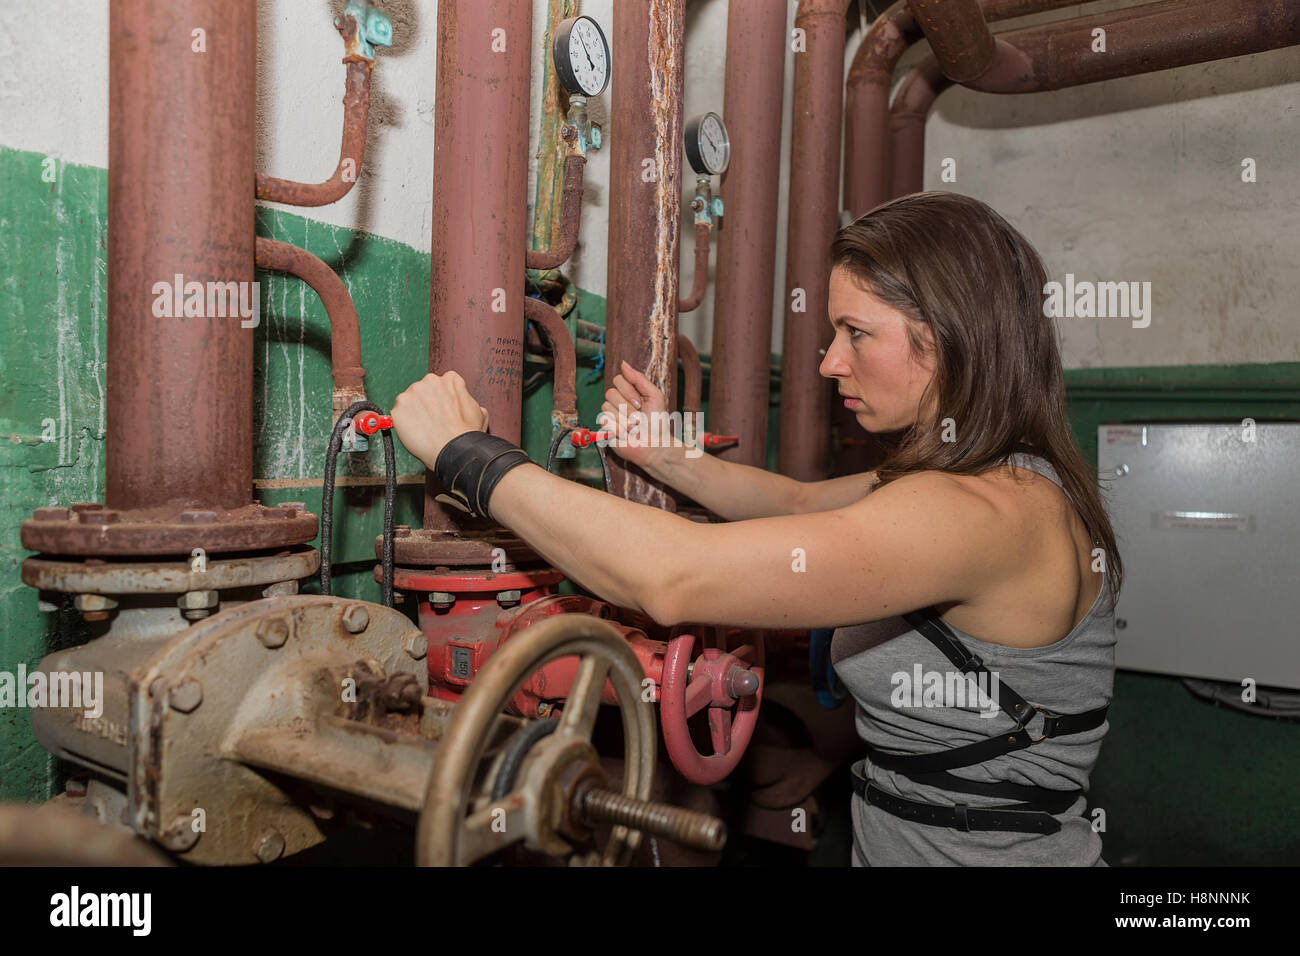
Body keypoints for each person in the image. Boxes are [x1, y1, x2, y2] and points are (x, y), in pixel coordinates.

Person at [391, 190, 1122, 867]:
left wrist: (471, 458)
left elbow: (674, 577)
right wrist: (666, 455)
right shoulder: (1001, 478)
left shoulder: (974, 514)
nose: (830, 362)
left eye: (857, 333)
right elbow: (803, 507)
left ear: (953, 338)